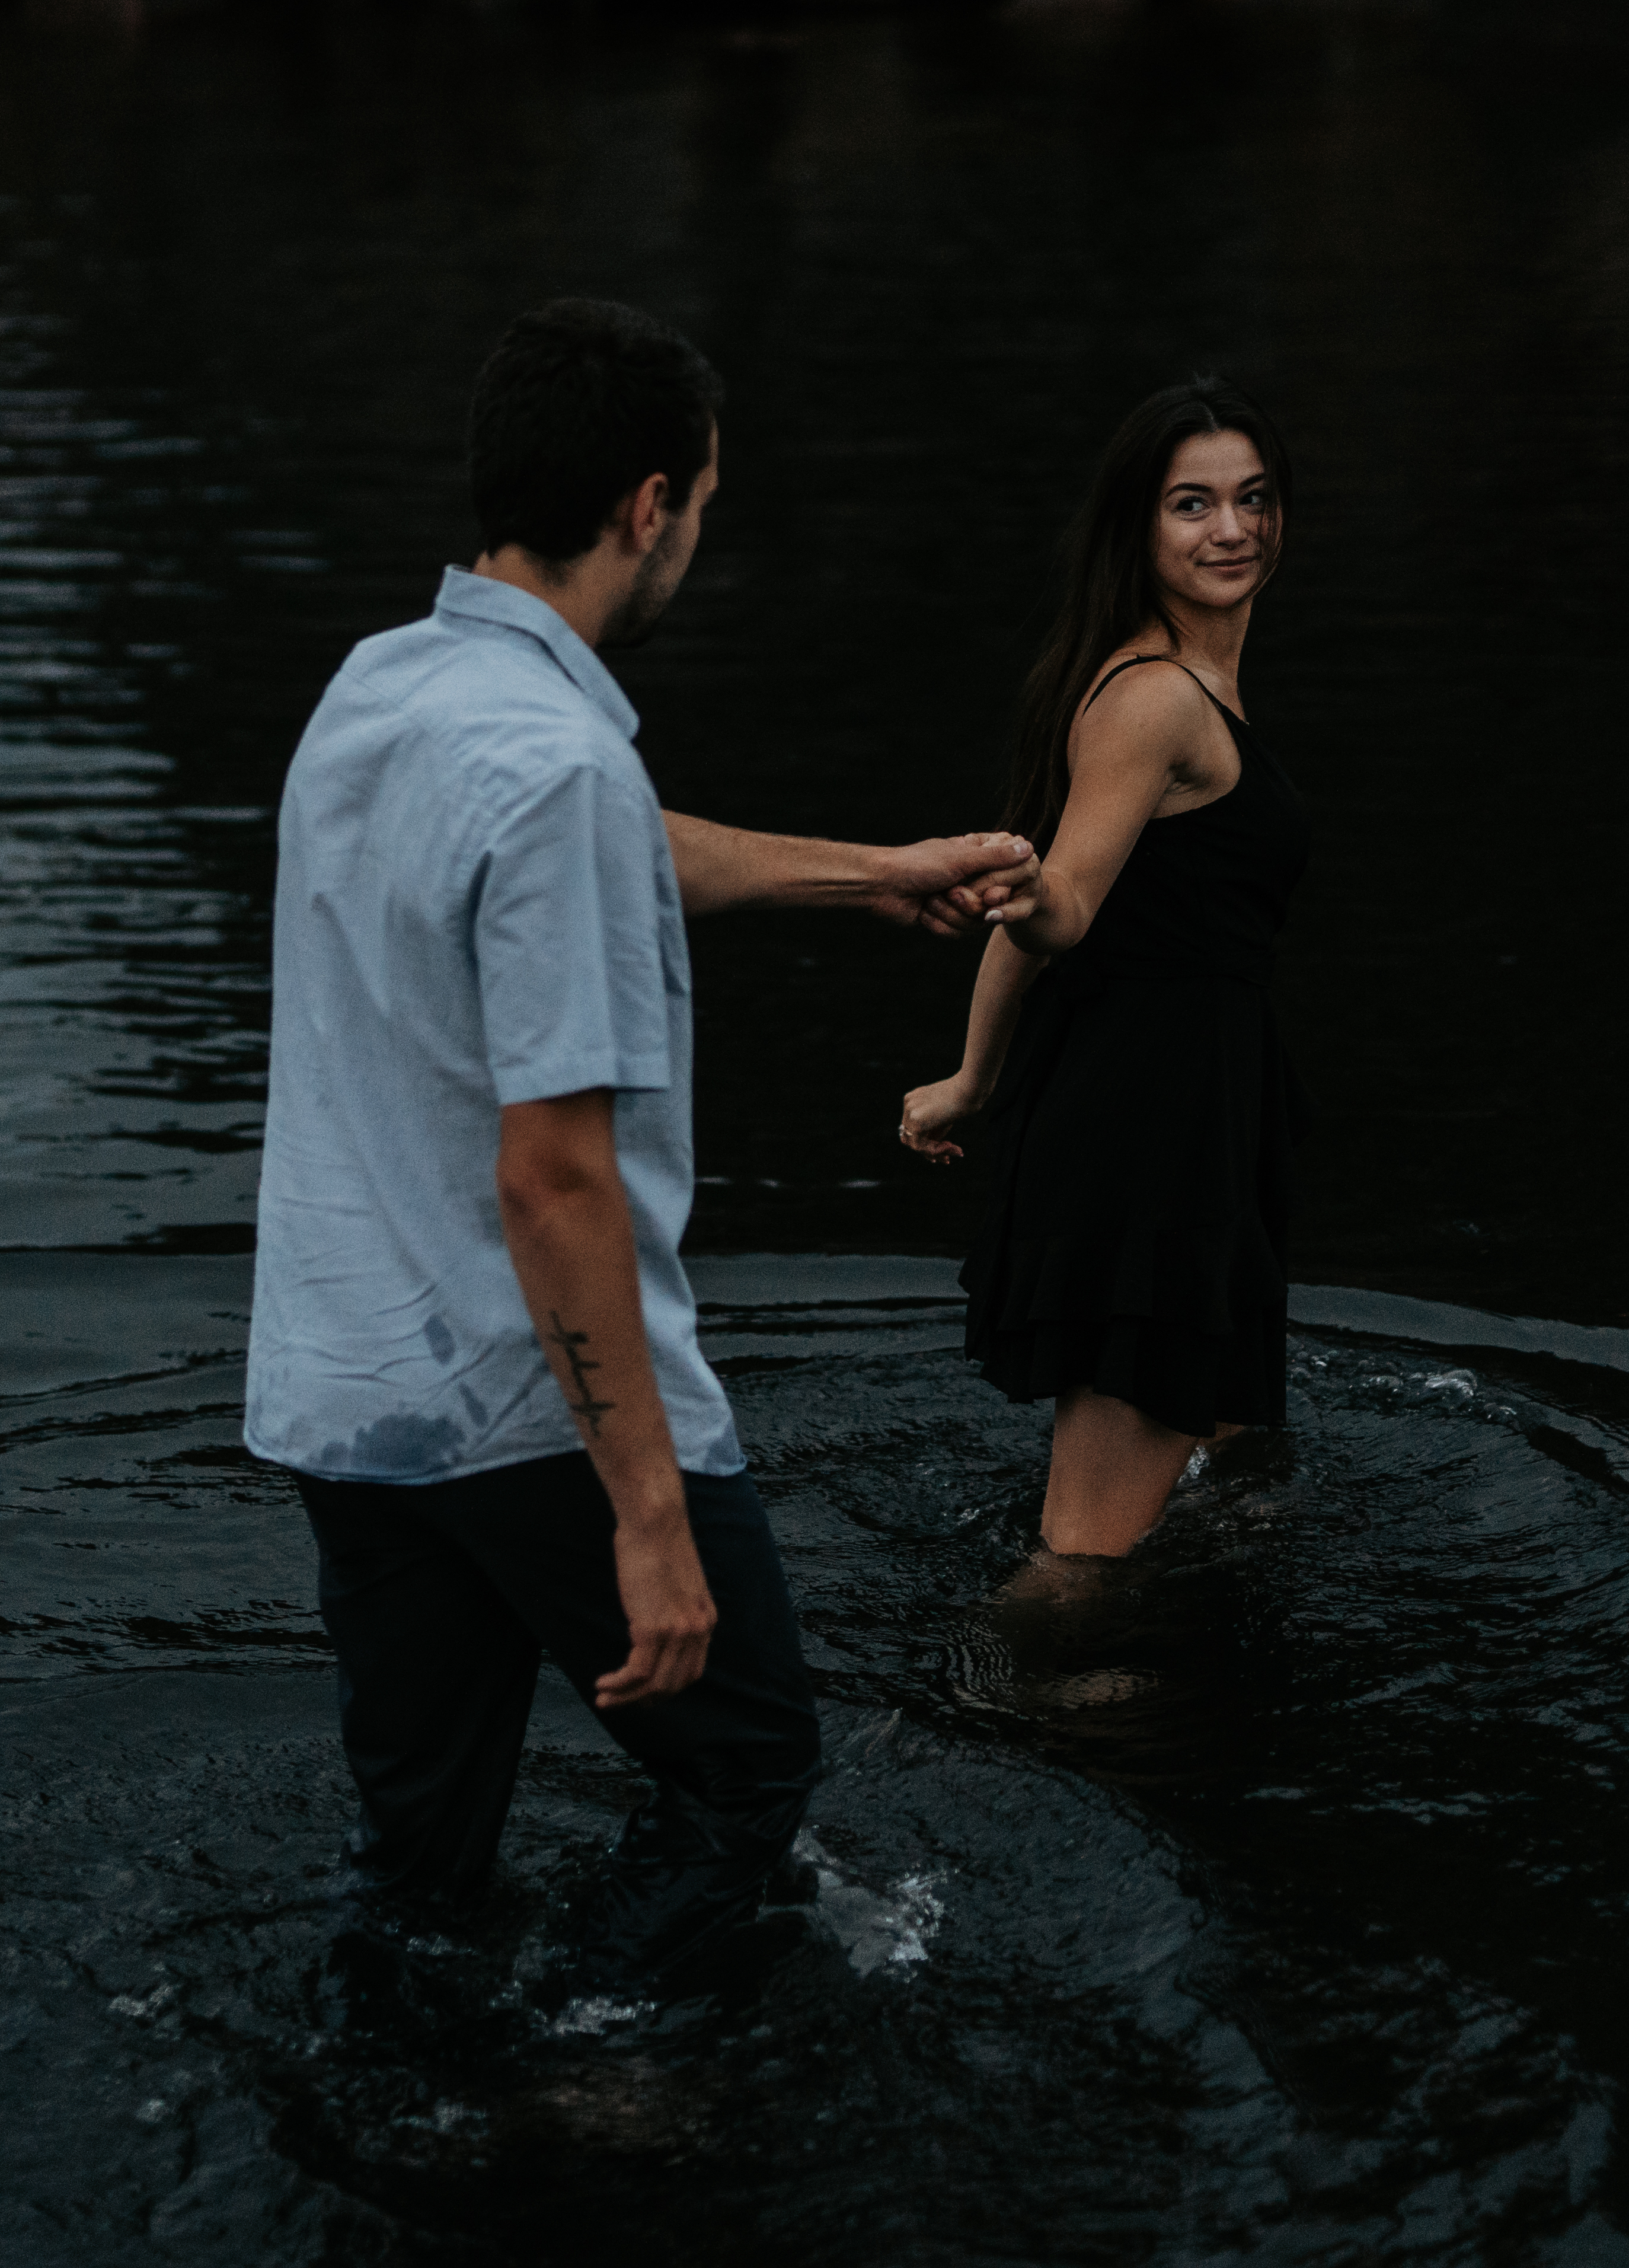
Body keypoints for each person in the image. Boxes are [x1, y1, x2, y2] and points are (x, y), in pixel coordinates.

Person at [250, 298, 1038, 1994]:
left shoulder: (388, 690)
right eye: (706, 506)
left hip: (352, 1399)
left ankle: (404, 2111)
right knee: (748, 1780)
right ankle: (586, 2084)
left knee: (418, 1862)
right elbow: (553, 1176)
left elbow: (607, 844)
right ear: (653, 505)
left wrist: (872, 873)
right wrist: (650, 1515)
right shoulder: (557, 770)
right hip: (528, 1408)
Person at [897, 379, 1307, 1564]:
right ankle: (979, 1722)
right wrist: (1029, 899)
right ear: (1140, 526)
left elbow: (1057, 899)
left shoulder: (1185, 682)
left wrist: (974, 1080)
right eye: (1193, 504)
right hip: (1153, 1137)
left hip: (1198, 1113)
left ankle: (1141, 1705)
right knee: (1087, 1555)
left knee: (1235, 1468)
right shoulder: (1154, 700)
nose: (1232, 529)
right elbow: (1064, 904)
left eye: (1254, 498)